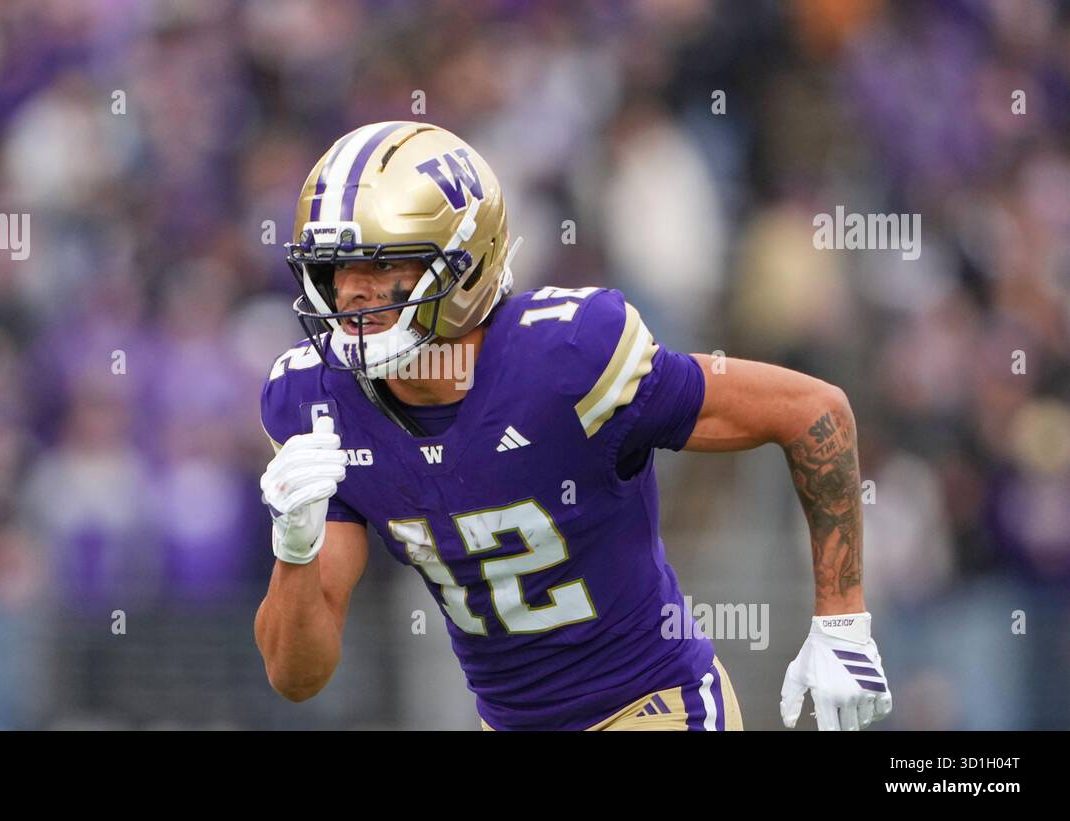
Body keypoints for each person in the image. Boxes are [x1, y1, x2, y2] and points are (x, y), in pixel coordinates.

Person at [254, 121, 892, 731]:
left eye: (383, 266)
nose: (352, 294)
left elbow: (812, 411)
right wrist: (295, 548)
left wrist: (842, 620)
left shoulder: (567, 358)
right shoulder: (316, 401)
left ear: (465, 268)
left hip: (654, 705)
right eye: (337, 268)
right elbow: (296, 678)